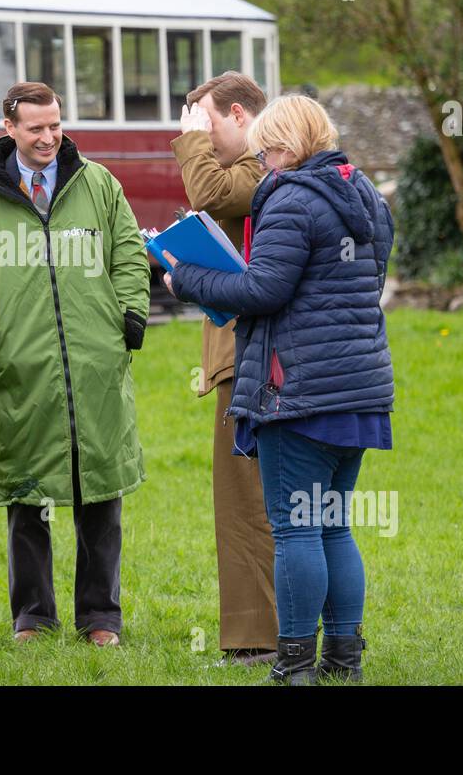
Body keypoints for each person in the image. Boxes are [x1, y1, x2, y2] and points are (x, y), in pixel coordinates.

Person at [163, 94, 394, 684]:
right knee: (334, 526)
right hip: (359, 390)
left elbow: (264, 289)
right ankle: (344, 662)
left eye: (266, 152)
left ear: (288, 148)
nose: (262, 163)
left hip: (300, 394)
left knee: (294, 529)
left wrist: (184, 277)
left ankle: (294, 666)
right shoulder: (365, 194)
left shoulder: (292, 198)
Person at [0, 81, 150, 647]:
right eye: (35, 128)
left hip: (94, 366)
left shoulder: (98, 184)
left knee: (99, 492)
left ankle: (101, 618)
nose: (48, 137)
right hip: (19, 372)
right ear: (8, 128)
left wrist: (128, 317)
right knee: (27, 494)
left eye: (55, 125)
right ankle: (33, 616)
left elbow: (129, 250)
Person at [173, 72, 280, 668]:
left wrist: (190, 146)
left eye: (207, 125)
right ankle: (274, 634)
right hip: (241, 359)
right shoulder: (255, 171)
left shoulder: (258, 170)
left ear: (241, 115)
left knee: (246, 504)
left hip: (255, 361)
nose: (199, 139)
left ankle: (256, 639)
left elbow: (209, 196)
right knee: (249, 502)